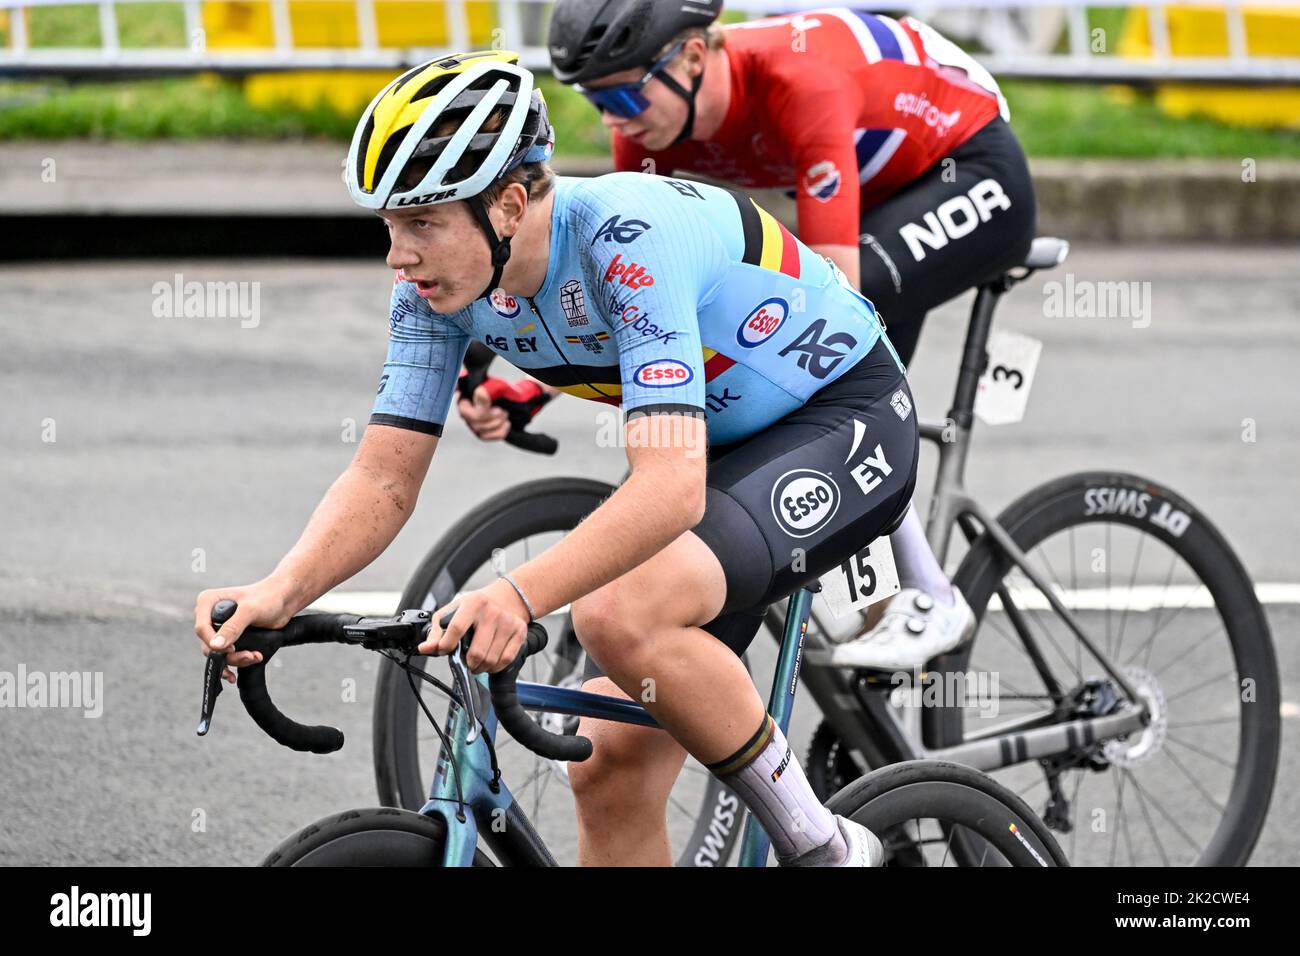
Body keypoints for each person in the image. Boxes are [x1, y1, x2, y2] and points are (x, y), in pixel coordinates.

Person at [194, 51, 921, 867]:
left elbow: (671, 488)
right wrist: (278, 591)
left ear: (508, 204)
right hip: (715, 449)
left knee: (617, 614)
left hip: (841, 417)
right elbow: (383, 477)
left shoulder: (627, 242)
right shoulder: (436, 289)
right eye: (389, 225)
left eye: (422, 222)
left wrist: (516, 594)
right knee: (608, 769)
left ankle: (829, 847)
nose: (398, 256)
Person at [464, 0, 1033, 669]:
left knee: (823, 337)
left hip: (970, 168)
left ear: (695, 59)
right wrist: (535, 387)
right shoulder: (650, 120)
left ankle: (929, 594)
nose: (613, 118)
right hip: (875, 192)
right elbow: (632, 291)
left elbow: (835, 300)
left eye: (620, 93)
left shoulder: (800, 84)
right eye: (594, 100)